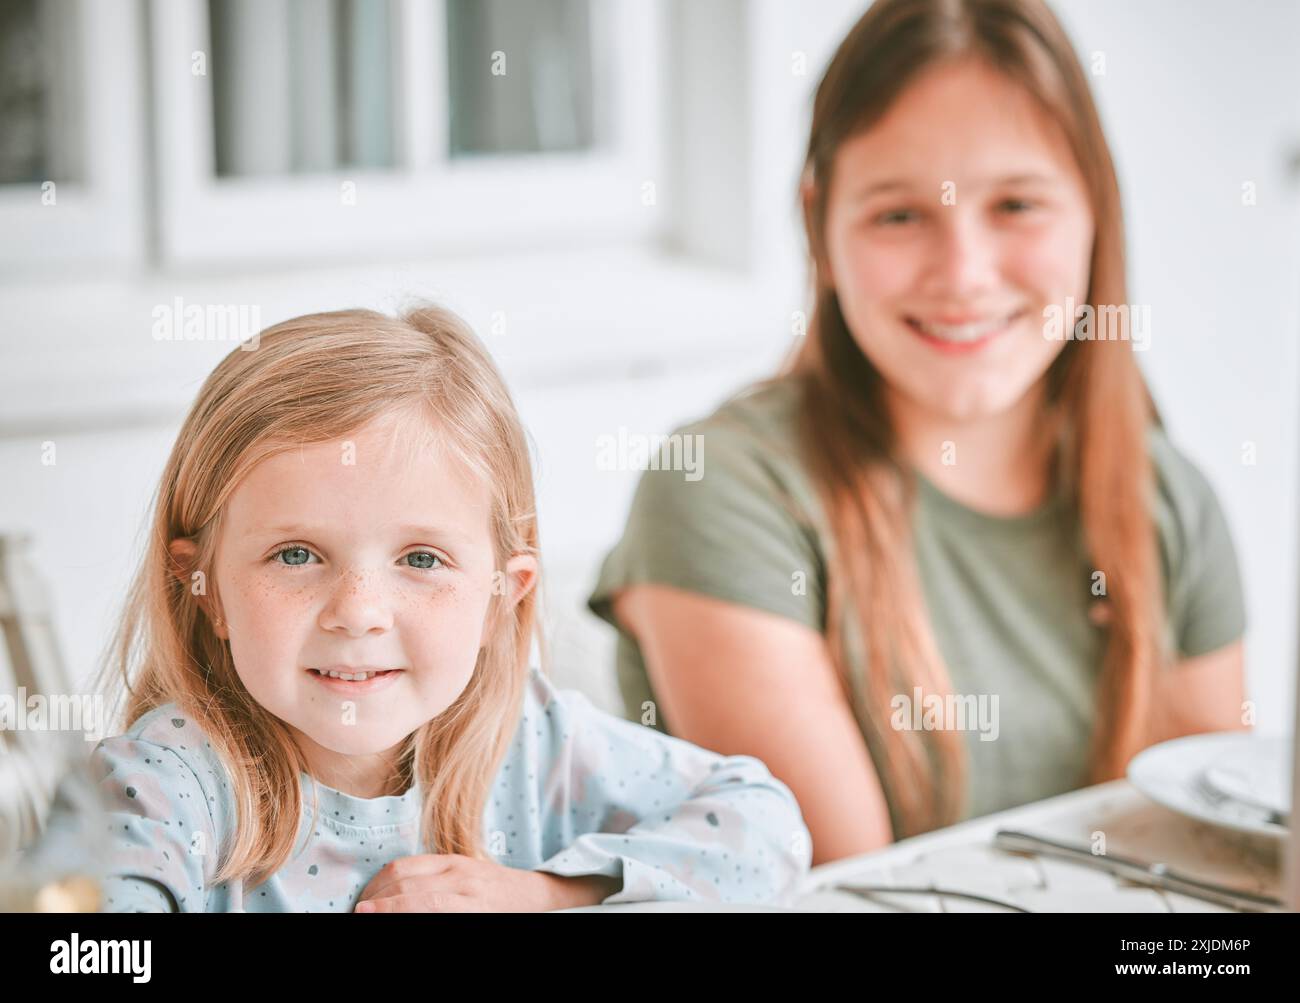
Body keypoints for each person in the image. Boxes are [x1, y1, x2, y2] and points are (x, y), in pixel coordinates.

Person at [588, 0, 1247, 865]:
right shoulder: (719, 485)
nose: (963, 276)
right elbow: (855, 896)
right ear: (819, 222)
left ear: (1096, 208)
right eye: (899, 215)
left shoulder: (1171, 500)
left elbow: (1214, 870)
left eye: (1016, 204)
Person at [76, 305, 810, 911]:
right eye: (297, 554)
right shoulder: (169, 783)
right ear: (203, 589)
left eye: (420, 559)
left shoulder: (529, 743)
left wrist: (545, 894)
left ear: (502, 597)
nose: (358, 612)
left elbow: (765, 828)